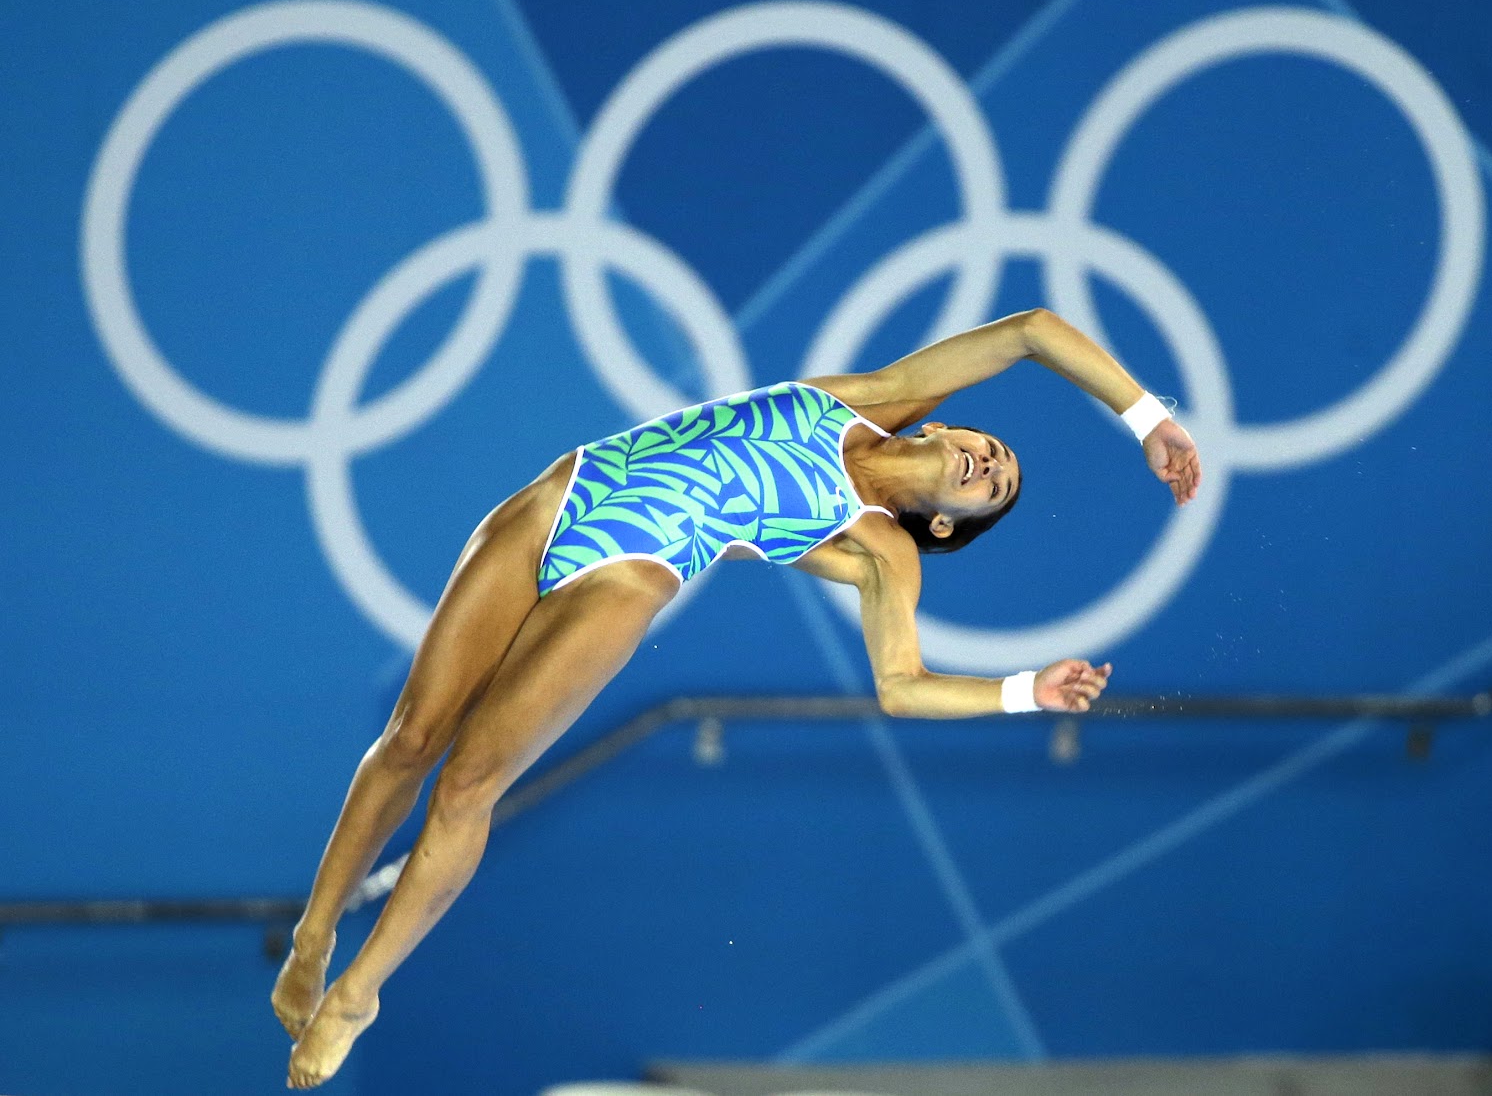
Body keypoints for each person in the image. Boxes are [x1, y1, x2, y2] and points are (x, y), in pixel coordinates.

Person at [274, 307, 1202, 1087]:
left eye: (995, 488)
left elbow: (901, 686)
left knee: (469, 782)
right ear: (946, 430)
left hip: (630, 576)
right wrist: (1148, 418)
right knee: (409, 734)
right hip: (559, 497)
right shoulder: (872, 401)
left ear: (950, 521)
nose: (988, 465)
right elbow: (1033, 331)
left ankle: (359, 991)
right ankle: (315, 933)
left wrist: (1023, 690)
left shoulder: (883, 548)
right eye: (991, 449)